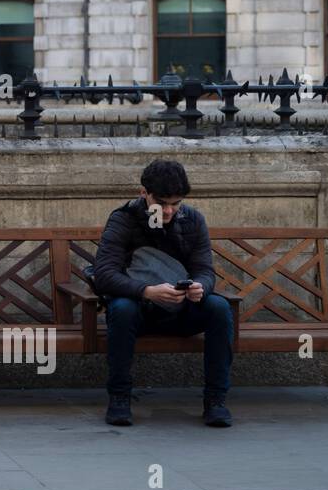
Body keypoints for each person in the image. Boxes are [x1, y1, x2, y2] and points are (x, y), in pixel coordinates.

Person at [92, 159, 233, 428]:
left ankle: (216, 401)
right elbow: (105, 275)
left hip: (183, 310)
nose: (168, 211)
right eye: (162, 203)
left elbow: (205, 270)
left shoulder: (192, 220)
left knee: (219, 308)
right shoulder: (123, 218)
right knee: (121, 309)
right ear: (143, 193)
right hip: (140, 311)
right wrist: (146, 291)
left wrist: (200, 287)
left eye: (175, 203)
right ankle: (120, 398)